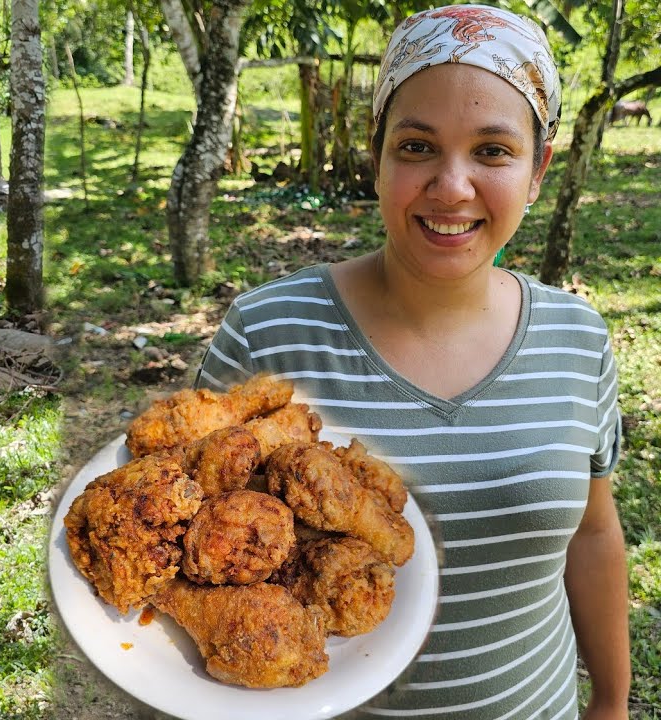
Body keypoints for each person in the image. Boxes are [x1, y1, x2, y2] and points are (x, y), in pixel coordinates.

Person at [196, 4, 630, 719]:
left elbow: (593, 531)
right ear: (377, 156)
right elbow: (194, 541)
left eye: (492, 150)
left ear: (538, 169)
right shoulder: (265, 335)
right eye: (417, 147)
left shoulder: (577, 337)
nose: (451, 187)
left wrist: (611, 704)